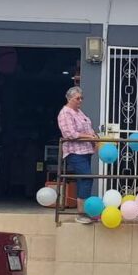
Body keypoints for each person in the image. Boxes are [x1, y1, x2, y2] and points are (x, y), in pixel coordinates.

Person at [57, 85, 99, 224]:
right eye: (77, 98)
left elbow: (88, 128)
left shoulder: (79, 112)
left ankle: (86, 212)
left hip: (86, 151)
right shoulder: (65, 113)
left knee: (84, 179)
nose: (80, 101)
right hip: (74, 152)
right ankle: (81, 213)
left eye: (81, 98)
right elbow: (70, 134)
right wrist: (89, 136)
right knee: (86, 178)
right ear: (69, 99)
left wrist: (94, 137)